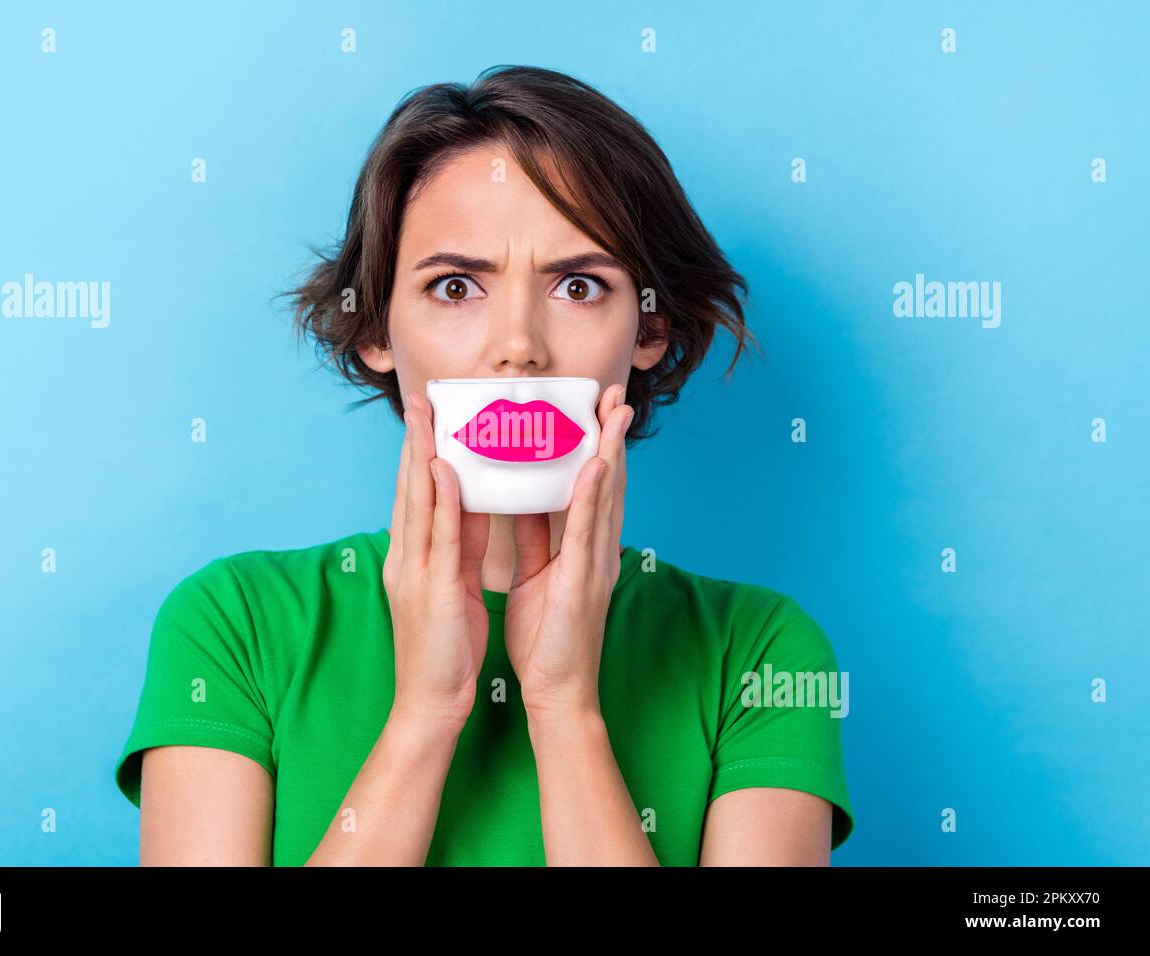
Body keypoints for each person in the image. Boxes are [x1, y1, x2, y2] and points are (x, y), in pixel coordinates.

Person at [114, 64, 855, 866]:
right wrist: (424, 714)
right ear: (378, 331)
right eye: (457, 285)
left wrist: (564, 710)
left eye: (578, 285)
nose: (518, 347)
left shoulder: (760, 652)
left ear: (648, 331)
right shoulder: (235, 624)